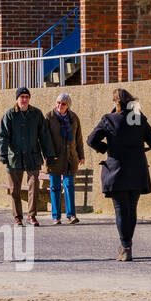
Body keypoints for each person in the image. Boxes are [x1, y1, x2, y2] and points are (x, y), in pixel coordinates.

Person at [87, 89, 151, 261]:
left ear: (115, 102)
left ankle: (126, 246)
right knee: (131, 209)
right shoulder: (138, 117)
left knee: (121, 210)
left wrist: (106, 149)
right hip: (137, 170)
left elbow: (91, 140)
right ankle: (127, 245)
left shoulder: (109, 119)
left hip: (116, 171)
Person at [0, 87, 55, 227]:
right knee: (15, 189)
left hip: (32, 156)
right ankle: (18, 217)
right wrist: (3, 153)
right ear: (17, 99)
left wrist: (49, 154)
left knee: (34, 184)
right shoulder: (10, 115)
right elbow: (2, 135)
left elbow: (44, 136)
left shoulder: (36, 114)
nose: (24, 99)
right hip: (14, 157)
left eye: (26, 97)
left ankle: (32, 216)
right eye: (21, 97)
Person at [45, 92, 85, 225]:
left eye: (63, 104)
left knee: (69, 185)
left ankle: (71, 215)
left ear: (68, 105)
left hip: (70, 157)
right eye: (58, 103)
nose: (60, 106)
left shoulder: (74, 118)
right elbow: (44, 139)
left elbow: (78, 138)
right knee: (55, 187)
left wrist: (81, 155)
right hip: (54, 158)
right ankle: (56, 216)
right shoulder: (49, 117)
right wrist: (47, 155)